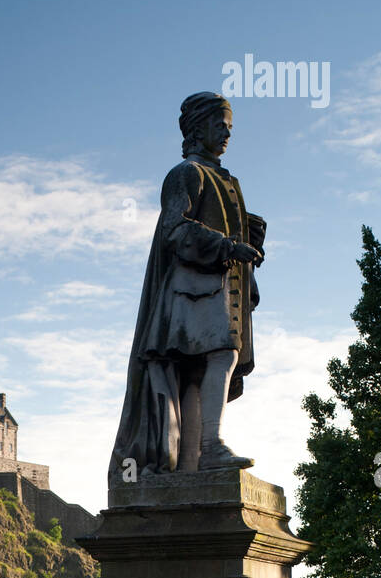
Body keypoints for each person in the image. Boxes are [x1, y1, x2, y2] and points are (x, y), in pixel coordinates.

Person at [109, 91, 265, 483]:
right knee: (220, 355)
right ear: (198, 129)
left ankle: (195, 458)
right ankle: (210, 448)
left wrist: (250, 236)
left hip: (218, 288)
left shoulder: (228, 179)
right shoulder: (186, 174)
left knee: (204, 368)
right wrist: (227, 245)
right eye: (219, 123)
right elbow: (174, 229)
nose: (227, 131)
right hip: (190, 291)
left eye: (229, 124)